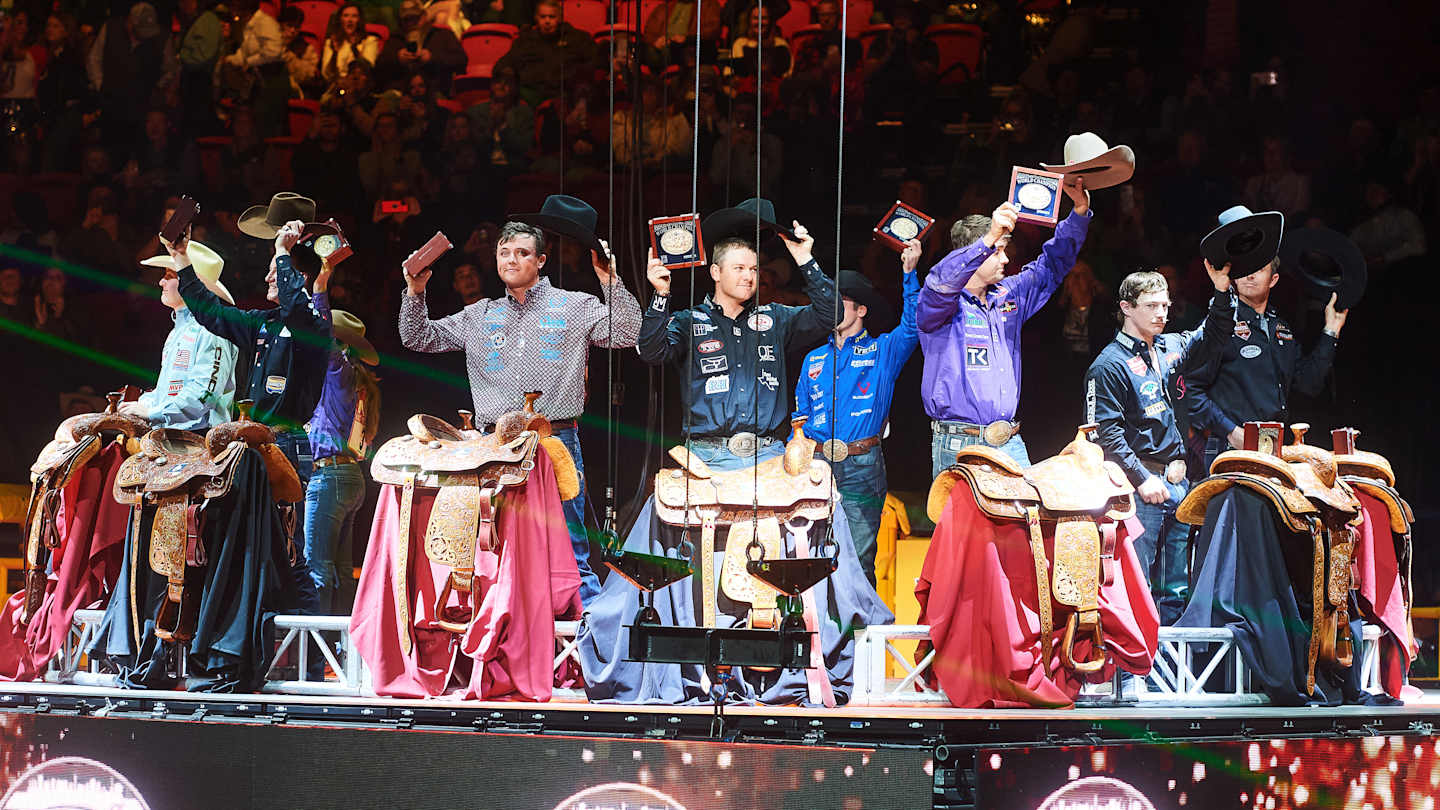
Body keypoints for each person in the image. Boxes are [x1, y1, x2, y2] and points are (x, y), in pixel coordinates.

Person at [397, 196, 642, 605]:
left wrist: (610, 281)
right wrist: (415, 291)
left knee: (571, 550)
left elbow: (626, 333)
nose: (511, 259)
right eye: (504, 252)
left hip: (555, 442)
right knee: (499, 549)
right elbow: (417, 337)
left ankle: (585, 654)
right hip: (493, 448)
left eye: (523, 253)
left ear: (541, 260)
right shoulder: (478, 315)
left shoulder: (575, 306)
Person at [175, 193, 333, 612]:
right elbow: (214, 314)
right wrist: (182, 263)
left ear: (295, 279)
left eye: (275, 274)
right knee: (251, 548)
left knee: (289, 550)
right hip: (252, 451)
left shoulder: (312, 328)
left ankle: (313, 663)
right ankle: (263, 648)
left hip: (286, 448)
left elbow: (298, 308)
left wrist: (282, 252)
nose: (268, 280)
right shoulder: (264, 324)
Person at [1083, 263, 1234, 625]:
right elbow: (1104, 433)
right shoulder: (1108, 365)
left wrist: (1220, 291)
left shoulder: (1171, 348)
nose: (1161, 313)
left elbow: (1214, 334)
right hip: (1138, 490)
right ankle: (1131, 676)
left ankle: (1165, 679)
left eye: (1165, 305)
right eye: (1151, 306)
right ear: (1126, 307)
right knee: (1134, 585)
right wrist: (1141, 478)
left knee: (1175, 589)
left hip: (1178, 484)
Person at [920, 182, 1092, 478]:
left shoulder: (1007, 295)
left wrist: (1078, 213)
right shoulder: (941, 303)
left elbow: (1051, 266)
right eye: (997, 251)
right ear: (974, 253)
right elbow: (940, 281)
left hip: (1009, 440)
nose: (1006, 258)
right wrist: (989, 237)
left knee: (1027, 521)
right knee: (961, 526)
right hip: (959, 442)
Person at [790, 240, 921, 584]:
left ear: (862, 310)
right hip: (816, 466)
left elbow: (913, 325)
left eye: (841, 301)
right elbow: (799, 419)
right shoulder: (812, 359)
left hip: (862, 465)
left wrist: (909, 274)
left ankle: (857, 638)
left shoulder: (883, 350)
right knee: (812, 560)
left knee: (859, 562)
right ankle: (819, 636)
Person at [1186, 206, 1350, 472]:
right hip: (1229, 450)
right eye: (1243, 270)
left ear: (1273, 279)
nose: (1249, 275)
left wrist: (1330, 331)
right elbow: (1189, 390)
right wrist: (1229, 430)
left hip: (1273, 450)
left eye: (1258, 269)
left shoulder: (1280, 328)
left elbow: (1308, 384)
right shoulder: (1220, 324)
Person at [304, 308, 380, 615]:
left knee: (317, 567)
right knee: (341, 568)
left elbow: (324, 345)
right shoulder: (358, 385)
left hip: (330, 476)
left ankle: (317, 648)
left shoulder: (340, 373)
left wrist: (318, 292)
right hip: (350, 476)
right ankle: (342, 646)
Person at [119, 240, 240, 430]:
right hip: (173, 434)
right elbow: (167, 393)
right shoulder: (178, 331)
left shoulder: (213, 329)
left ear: (193, 283)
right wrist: (141, 404)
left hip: (200, 438)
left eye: (169, 275)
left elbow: (204, 393)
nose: (161, 282)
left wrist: (152, 413)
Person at [493, 0, 597, 106]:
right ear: (536, 18)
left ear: (560, 18)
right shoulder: (525, 40)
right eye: (543, 17)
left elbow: (595, 61)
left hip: (565, 95)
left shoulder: (577, 38)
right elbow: (504, 63)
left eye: (552, 17)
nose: (547, 21)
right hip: (530, 95)